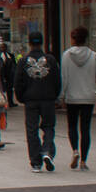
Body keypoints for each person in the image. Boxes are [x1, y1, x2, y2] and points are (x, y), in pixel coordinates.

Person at [59, 26, 96, 170]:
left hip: (72, 98)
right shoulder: (94, 56)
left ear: (73, 39)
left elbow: (64, 78)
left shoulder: (66, 55)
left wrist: (61, 96)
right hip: (88, 98)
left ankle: (75, 151)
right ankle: (83, 161)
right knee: (85, 129)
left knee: (72, 126)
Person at [15, 31, 61, 173]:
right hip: (48, 99)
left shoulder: (23, 61)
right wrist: (54, 95)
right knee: (48, 126)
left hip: (30, 100)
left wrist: (21, 97)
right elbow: (57, 81)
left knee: (31, 130)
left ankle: (36, 162)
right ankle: (47, 150)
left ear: (29, 43)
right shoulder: (51, 60)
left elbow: (17, 82)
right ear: (42, 42)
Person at [0, 41, 18, 108]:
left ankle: (10, 102)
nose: (3, 48)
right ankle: (2, 102)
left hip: (9, 75)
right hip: (1, 75)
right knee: (1, 90)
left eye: (4, 47)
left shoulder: (10, 55)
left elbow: (14, 65)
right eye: (1, 47)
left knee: (10, 89)